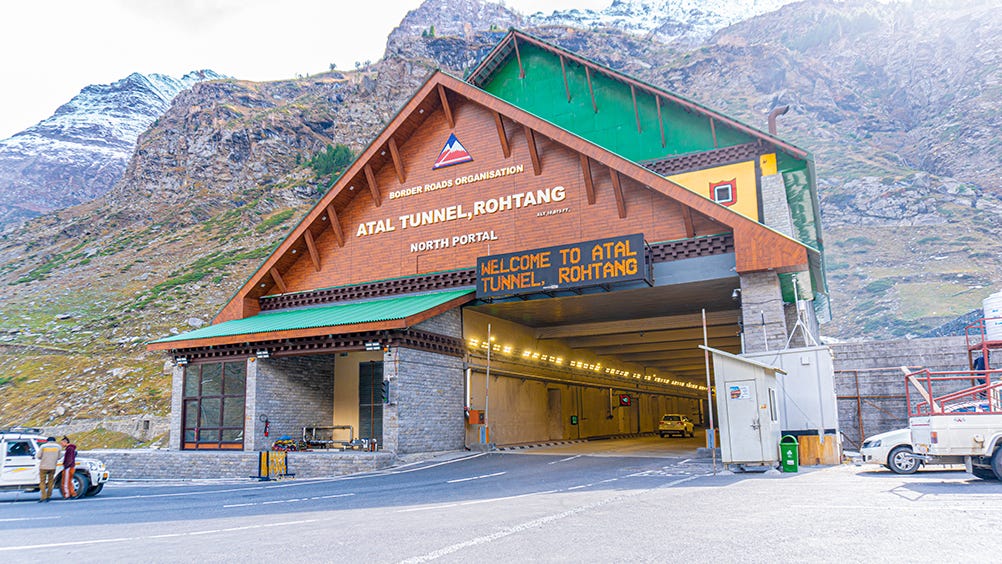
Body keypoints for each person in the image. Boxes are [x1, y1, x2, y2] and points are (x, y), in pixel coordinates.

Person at [35, 437, 61, 503]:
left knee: (42, 482)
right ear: (54, 441)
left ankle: (44, 497)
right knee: (50, 482)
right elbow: (59, 457)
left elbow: (38, 456)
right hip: (52, 467)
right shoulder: (58, 447)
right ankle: (49, 496)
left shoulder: (43, 446)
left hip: (43, 466)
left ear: (47, 441)